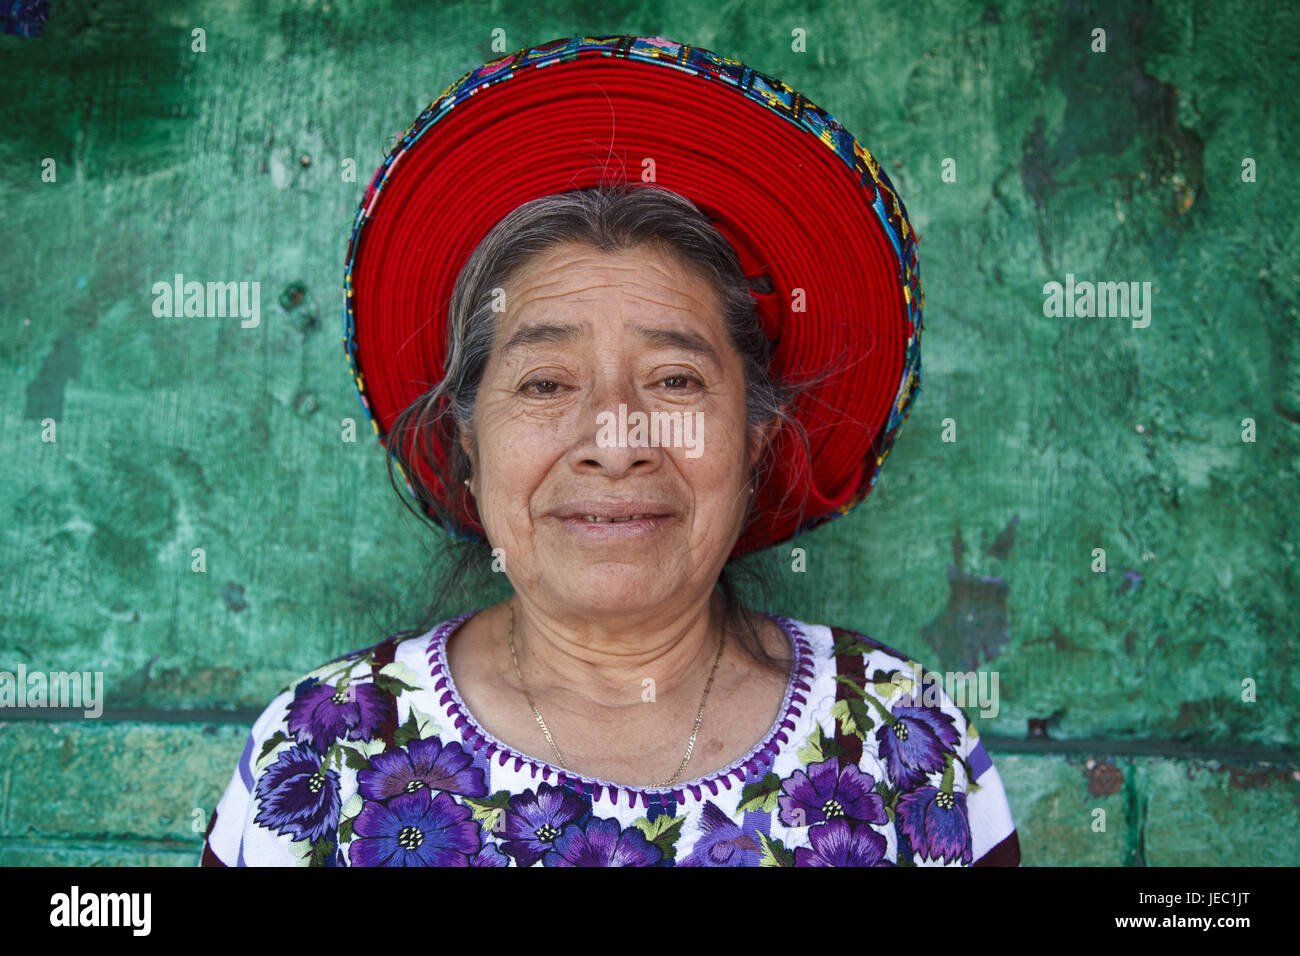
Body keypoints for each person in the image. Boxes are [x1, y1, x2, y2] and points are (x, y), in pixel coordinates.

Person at [202, 34, 1019, 867]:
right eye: (546, 385)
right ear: (468, 443)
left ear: (757, 439)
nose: (616, 443)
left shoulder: (899, 742)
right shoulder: (324, 753)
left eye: (673, 381)